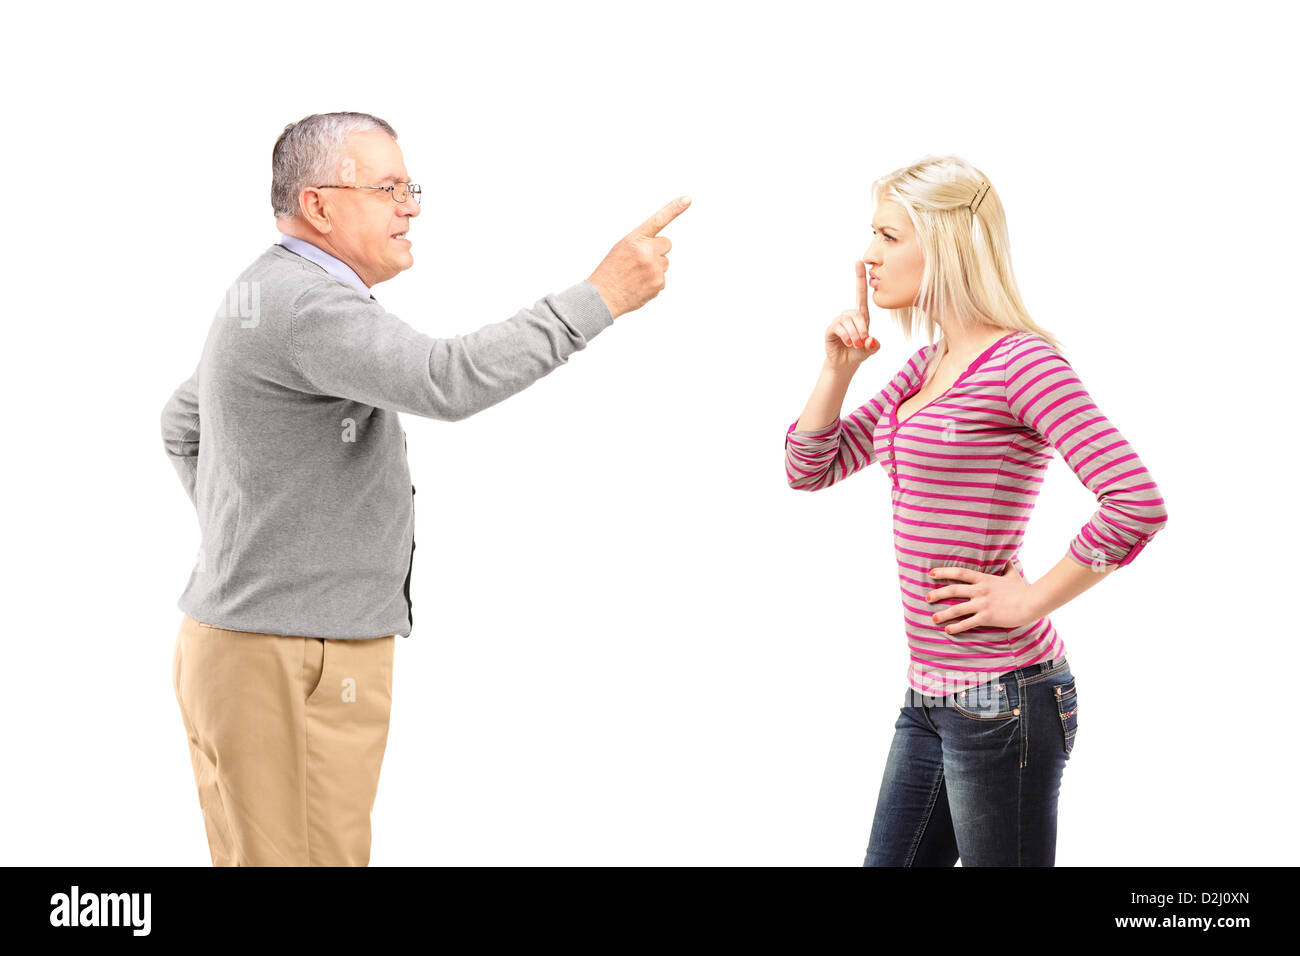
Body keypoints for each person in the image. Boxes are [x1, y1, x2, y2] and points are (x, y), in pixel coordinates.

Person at [160, 111, 690, 866]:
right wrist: (600, 295)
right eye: (387, 188)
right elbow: (446, 381)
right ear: (319, 205)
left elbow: (184, 421)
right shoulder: (308, 304)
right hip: (291, 652)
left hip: (248, 646)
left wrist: (253, 548)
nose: (410, 205)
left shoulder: (267, 290)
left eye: (409, 186)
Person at [782, 154, 1167, 866]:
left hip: (1002, 698)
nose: (867, 255)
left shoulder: (1023, 363)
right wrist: (838, 368)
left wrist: (1029, 601)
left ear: (948, 244)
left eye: (888, 236)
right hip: (929, 696)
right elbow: (811, 467)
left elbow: (1135, 502)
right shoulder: (925, 367)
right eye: (872, 234)